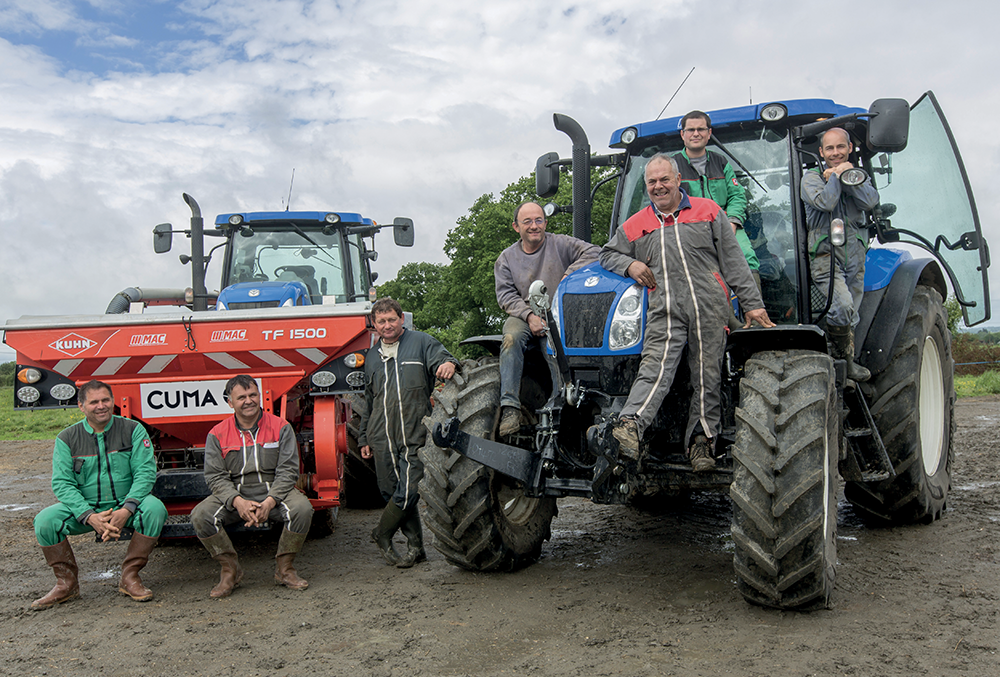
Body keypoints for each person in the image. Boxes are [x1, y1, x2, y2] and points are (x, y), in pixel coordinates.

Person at [600, 154, 775, 471]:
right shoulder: (637, 224)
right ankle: (630, 427)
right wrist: (631, 264)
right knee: (655, 367)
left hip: (708, 305)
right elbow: (608, 254)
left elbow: (733, 261)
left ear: (678, 180)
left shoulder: (709, 212)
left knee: (707, 376)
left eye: (664, 179)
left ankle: (701, 444)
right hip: (665, 307)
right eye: (652, 182)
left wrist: (752, 303)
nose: (658, 186)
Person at [31, 380, 166, 609]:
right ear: (81, 406)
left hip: (125, 505)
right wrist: (88, 515)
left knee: (155, 510)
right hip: (87, 509)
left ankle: (130, 576)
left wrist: (127, 509)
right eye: (94, 402)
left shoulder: (133, 430)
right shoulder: (67, 438)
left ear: (112, 401)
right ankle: (67, 584)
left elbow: (145, 473)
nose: (101, 406)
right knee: (45, 521)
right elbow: (63, 483)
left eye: (105, 400)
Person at [358, 297, 460, 567]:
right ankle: (416, 547)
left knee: (409, 490)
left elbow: (445, 359)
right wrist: (363, 437)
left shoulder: (421, 342)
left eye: (392, 319)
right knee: (390, 490)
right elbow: (369, 401)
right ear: (374, 324)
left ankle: (382, 534)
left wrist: (449, 363)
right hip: (381, 435)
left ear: (401, 319)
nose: (387, 325)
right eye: (381, 321)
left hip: (415, 432)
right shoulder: (370, 357)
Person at [191, 374, 313, 598]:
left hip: (274, 491)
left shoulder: (281, 427)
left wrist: (270, 501)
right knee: (201, 516)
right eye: (241, 397)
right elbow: (215, 477)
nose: (248, 401)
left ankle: (285, 569)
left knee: (302, 509)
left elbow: (288, 471)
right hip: (235, 493)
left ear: (260, 397)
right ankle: (230, 571)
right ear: (230, 402)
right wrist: (238, 502)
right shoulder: (216, 434)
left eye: (252, 395)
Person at [494, 201, 601, 436]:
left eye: (539, 220)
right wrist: (529, 315)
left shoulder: (560, 243)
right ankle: (510, 407)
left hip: (556, 315)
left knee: (555, 351)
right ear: (516, 227)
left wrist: (569, 274)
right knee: (510, 338)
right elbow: (505, 295)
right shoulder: (506, 258)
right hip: (523, 313)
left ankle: (561, 410)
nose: (534, 226)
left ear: (546, 222)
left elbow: (595, 251)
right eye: (528, 222)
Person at [801, 127, 880, 382]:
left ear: (849, 149)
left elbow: (870, 202)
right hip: (826, 257)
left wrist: (847, 175)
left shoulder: (856, 175)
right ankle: (836, 357)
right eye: (830, 148)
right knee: (842, 306)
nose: (836, 153)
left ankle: (847, 363)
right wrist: (835, 178)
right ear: (821, 152)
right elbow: (826, 202)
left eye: (840, 147)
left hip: (855, 255)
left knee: (852, 314)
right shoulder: (811, 179)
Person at [673, 110, 760, 284]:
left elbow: (737, 195)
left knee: (746, 256)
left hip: (724, 224)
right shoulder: (672, 166)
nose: (696, 133)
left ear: (709, 133)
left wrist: (733, 222)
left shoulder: (721, 162)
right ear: (683, 135)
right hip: (689, 229)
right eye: (690, 130)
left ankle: (754, 309)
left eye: (701, 129)